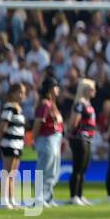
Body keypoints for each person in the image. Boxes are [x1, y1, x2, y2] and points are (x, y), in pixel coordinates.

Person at [32, 78, 64, 208]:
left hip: (55, 139)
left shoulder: (52, 104)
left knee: (53, 170)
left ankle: (48, 197)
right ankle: (39, 198)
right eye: (56, 87)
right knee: (44, 169)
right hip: (46, 139)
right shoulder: (45, 104)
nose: (58, 90)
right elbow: (37, 123)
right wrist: (34, 140)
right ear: (51, 89)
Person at [66, 79, 98, 206]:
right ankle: (74, 195)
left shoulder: (87, 104)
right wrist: (72, 132)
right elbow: (74, 122)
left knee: (83, 167)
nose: (94, 91)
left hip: (87, 138)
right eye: (92, 89)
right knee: (78, 167)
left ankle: (79, 194)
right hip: (80, 138)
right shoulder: (80, 104)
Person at [0, 83, 27, 209]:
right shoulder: (9, 107)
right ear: (12, 93)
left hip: (18, 144)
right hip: (9, 143)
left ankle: (12, 199)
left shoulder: (19, 108)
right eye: (19, 92)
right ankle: (4, 200)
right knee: (7, 172)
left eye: (23, 92)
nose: (21, 95)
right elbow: (3, 126)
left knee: (13, 173)